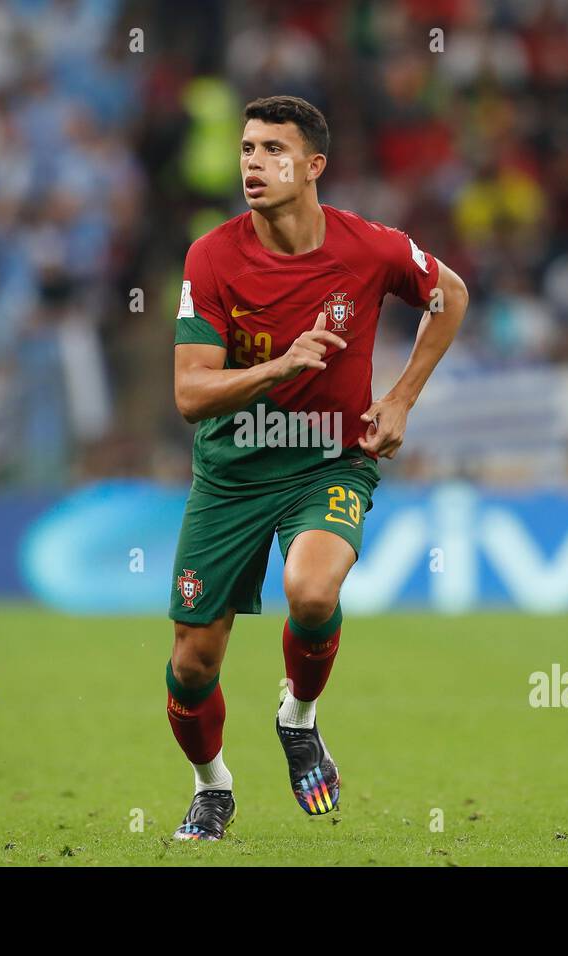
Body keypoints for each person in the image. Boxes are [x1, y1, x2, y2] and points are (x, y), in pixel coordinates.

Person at [166, 95, 469, 840]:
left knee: (310, 590)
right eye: (245, 150)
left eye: (272, 149)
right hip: (232, 474)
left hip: (329, 462)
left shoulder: (369, 248)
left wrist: (399, 399)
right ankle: (213, 786)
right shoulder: (211, 257)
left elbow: (450, 295)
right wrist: (278, 368)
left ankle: (297, 718)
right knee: (194, 665)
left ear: (313, 166)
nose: (253, 164)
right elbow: (189, 393)